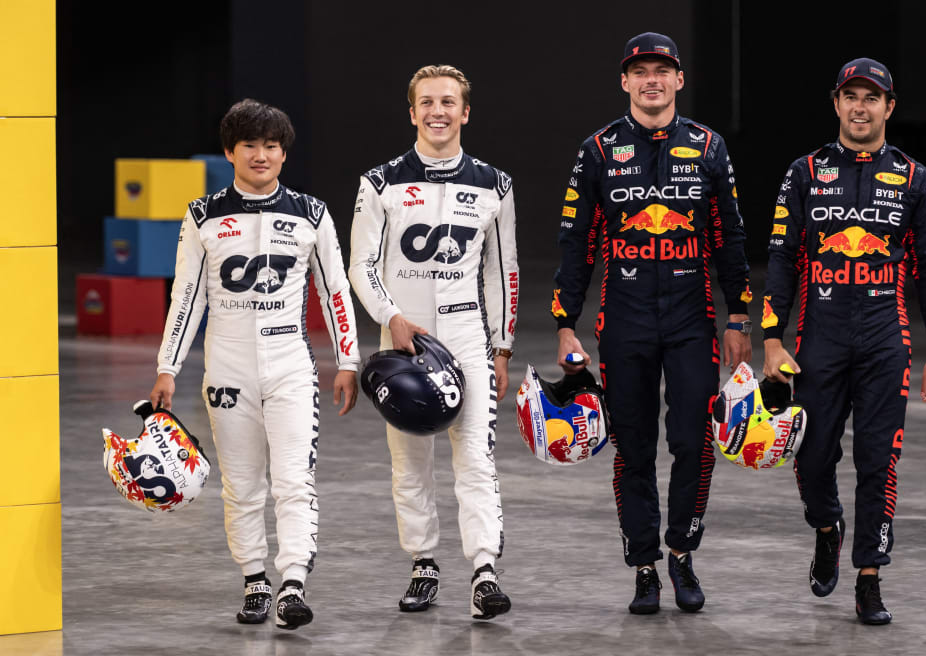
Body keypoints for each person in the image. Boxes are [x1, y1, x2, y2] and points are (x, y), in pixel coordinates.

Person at [552, 32, 753, 614]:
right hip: (626, 319)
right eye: (640, 71)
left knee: (694, 442)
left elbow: (729, 236)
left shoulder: (709, 147)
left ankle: (683, 555)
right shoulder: (597, 149)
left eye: (662, 69)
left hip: (694, 318)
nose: (651, 80)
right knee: (633, 447)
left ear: (679, 80)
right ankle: (644, 567)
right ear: (625, 81)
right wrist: (566, 322)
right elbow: (577, 243)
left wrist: (738, 313)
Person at [150, 98, 360, 631]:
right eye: (250, 146)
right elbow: (187, 297)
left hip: (292, 365)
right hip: (227, 369)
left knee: (294, 479)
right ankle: (254, 581)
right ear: (230, 152)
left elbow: (335, 289)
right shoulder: (202, 215)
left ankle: (292, 585)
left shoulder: (312, 213)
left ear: (284, 153)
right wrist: (167, 367)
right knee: (242, 485)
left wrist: (348, 361)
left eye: (271, 146)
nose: (261, 155)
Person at [761, 57, 926, 625]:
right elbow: (780, 260)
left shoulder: (916, 178)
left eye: (872, 98)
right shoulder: (804, 172)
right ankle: (826, 525)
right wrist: (772, 338)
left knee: (878, 461)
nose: (860, 107)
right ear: (837, 103)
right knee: (811, 454)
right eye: (851, 97)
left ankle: (869, 576)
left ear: (889, 107)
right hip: (817, 337)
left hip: (884, 340)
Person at [347, 64, 519, 620]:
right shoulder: (380, 182)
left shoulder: (496, 184)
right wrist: (392, 317)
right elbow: (361, 266)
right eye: (426, 102)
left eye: (448, 102)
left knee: (476, 456)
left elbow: (503, 271)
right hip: (403, 339)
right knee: (410, 460)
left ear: (466, 112)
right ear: (412, 111)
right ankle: (423, 564)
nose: (437, 111)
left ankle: (484, 571)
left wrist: (501, 346)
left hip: (467, 336)